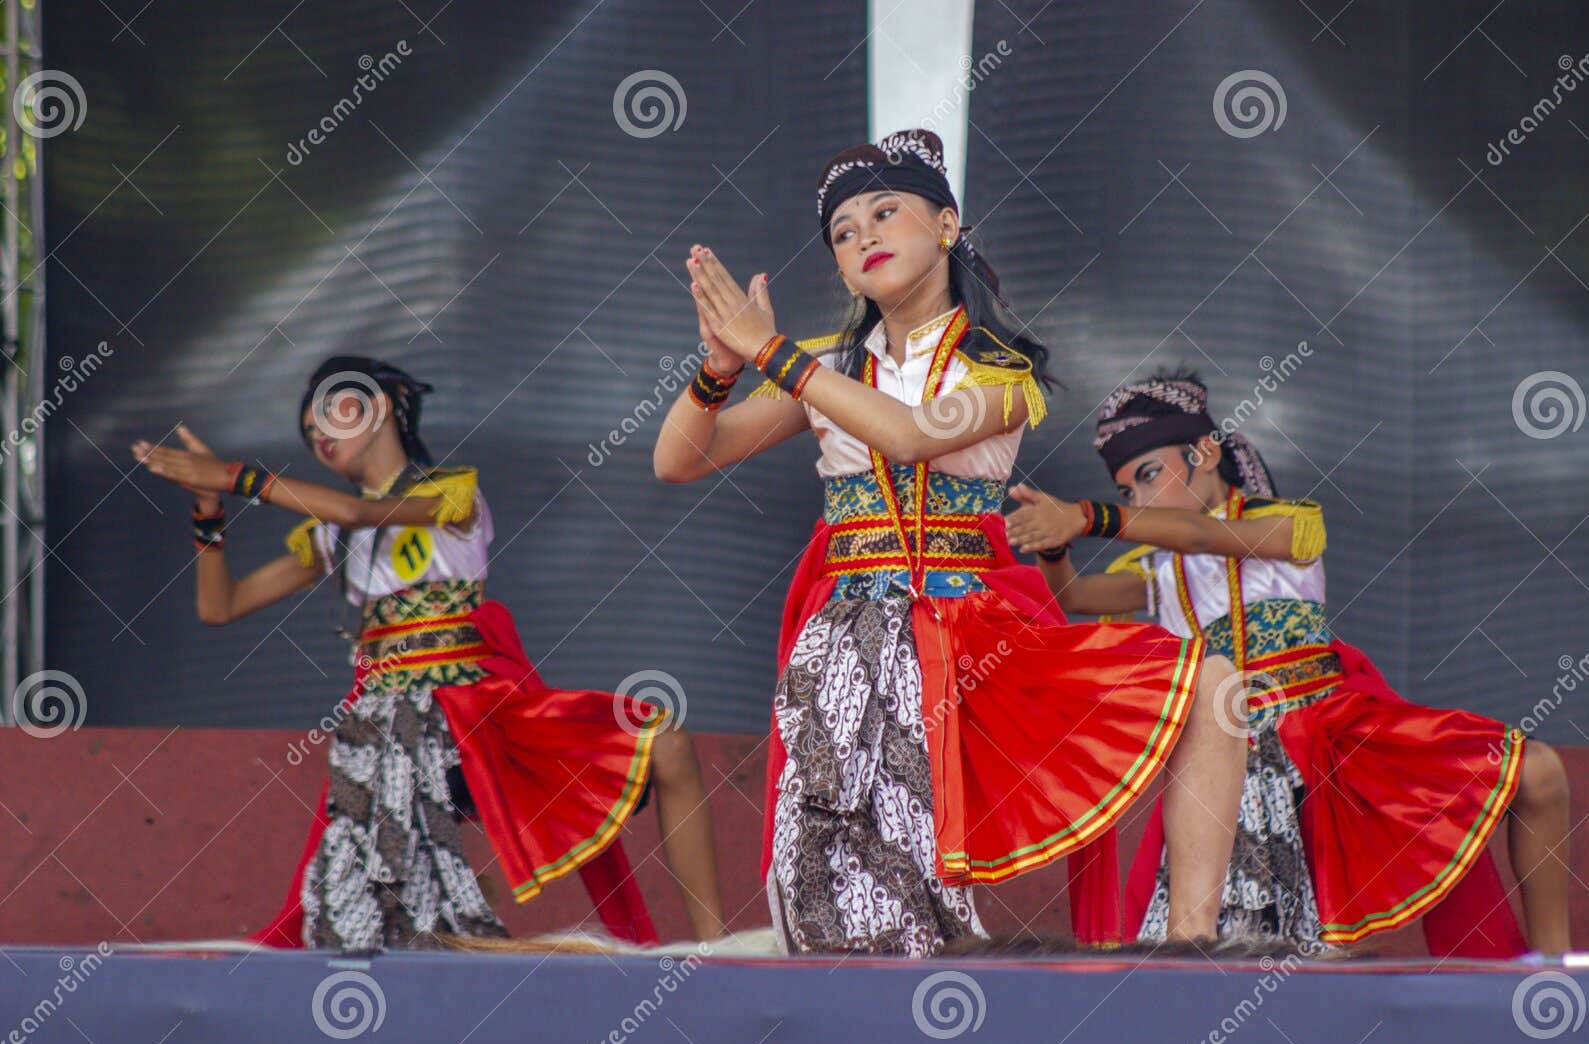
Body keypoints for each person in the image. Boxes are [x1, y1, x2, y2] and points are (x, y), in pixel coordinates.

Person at [654, 129, 1248, 956]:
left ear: (945, 224)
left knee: (1215, 687)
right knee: (831, 889)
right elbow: (680, 457)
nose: (864, 236)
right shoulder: (828, 368)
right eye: (843, 231)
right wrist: (721, 367)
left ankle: (1190, 949)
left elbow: (908, 435)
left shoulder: (1000, 373)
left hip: (969, 646)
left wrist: (774, 354)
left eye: (885, 211)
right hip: (846, 648)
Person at [132, 356, 726, 949]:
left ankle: (714, 947)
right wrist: (208, 509)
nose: (318, 436)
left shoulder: (451, 495)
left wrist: (237, 477)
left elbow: (363, 509)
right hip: (390, 733)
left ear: (381, 405)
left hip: (483, 720)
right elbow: (221, 606)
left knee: (668, 744)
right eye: (308, 434)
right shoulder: (329, 535)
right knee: (366, 913)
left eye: (328, 414)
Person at [1004, 371, 1572, 955]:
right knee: (1264, 950)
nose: (1141, 500)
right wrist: (1052, 546)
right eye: (1128, 492)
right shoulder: (1155, 573)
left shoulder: (1289, 523)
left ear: (1204, 452)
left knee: (1540, 772)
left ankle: (1557, 969)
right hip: (1230, 762)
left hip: (1334, 735)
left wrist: (1091, 517)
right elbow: (1067, 599)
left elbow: (1203, 535)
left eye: (1149, 475)